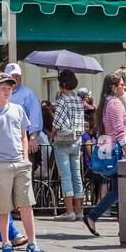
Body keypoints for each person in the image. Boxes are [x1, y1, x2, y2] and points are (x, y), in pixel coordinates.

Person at [0, 71, 43, 252]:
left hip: (19, 162)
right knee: (2, 206)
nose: (7, 91)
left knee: (26, 204)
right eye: (2, 88)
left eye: (9, 88)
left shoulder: (18, 109)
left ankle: (32, 243)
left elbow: (23, 135)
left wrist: (25, 158)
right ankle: (5, 242)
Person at [82, 71, 126, 235]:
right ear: (113, 87)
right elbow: (118, 130)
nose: (124, 86)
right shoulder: (115, 104)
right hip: (117, 151)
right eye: (121, 84)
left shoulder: (106, 103)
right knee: (119, 190)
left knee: (118, 189)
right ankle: (93, 216)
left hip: (109, 149)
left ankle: (122, 226)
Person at [52, 69, 86, 222]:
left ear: (61, 83)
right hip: (77, 139)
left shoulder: (62, 99)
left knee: (66, 176)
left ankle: (69, 211)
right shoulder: (79, 99)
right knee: (76, 175)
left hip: (63, 141)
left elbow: (57, 122)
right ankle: (79, 210)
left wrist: (51, 135)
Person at [4, 62, 43, 156]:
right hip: (4, 141)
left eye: (17, 75)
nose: (15, 78)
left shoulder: (28, 94)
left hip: (23, 141)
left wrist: (33, 138)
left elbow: (35, 117)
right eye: (12, 75)